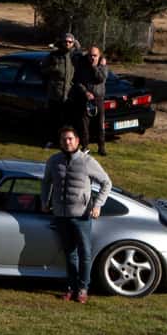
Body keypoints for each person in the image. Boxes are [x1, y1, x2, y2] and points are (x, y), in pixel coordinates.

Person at [42, 126, 112, 302]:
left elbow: (106, 183)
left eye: (70, 139)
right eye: (64, 139)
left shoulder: (87, 161)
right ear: (60, 142)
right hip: (61, 215)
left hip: (81, 215)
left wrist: (97, 206)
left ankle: (83, 289)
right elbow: (46, 183)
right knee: (69, 254)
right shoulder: (53, 161)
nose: (67, 142)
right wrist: (45, 201)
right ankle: (71, 287)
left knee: (84, 253)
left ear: (78, 141)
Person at [40, 33, 78, 142]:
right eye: (65, 41)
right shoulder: (53, 56)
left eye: (70, 42)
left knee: (68, 121)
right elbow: (42, 69)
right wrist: (52, 69)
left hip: (70, 94)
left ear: (73, 43)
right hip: (55, 93)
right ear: (61, 42)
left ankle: (66, 142)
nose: (67, 43)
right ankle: (51, 140)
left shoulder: (76, 56)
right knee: (53, 120)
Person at [76, 44, 111, 155]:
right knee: (84, 124)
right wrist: (85, 92)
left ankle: (101, 147)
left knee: (100, 124)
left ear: (99, 55)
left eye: (95, 55)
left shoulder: (103, 67)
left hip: (99, 99)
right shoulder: (82, 67)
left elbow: (100, 78)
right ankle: (85, 146)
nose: (92, 58)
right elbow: (78, 82)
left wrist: (95, 67)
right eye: (90, 55)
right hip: (86, 99)